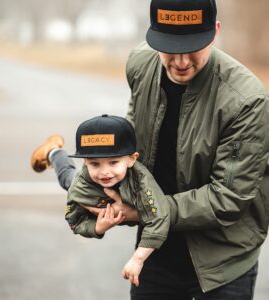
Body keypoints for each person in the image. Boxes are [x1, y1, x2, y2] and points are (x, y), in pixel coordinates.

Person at [78, 0, 269, 299]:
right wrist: (95, 184)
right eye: (169, 47)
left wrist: (143, 210)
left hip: (223, 261)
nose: (180, 61)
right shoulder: (140, 65)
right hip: (157, 252)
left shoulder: (246, 100)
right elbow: (131, 140)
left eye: (193, 47)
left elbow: (228, 197)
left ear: (215, 32)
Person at [31, 114, 171, 286]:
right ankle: (54, 151)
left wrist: (137, 259)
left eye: (113, 162)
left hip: (124, 195)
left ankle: (54, 151)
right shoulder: (81, 187)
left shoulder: (142, 179)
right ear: (85, 162)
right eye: (95, 164)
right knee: (67, 178)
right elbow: (75, 221)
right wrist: (97, 227)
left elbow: (160, 216)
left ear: (131, 159)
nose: (105, 172)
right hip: (92, 192)